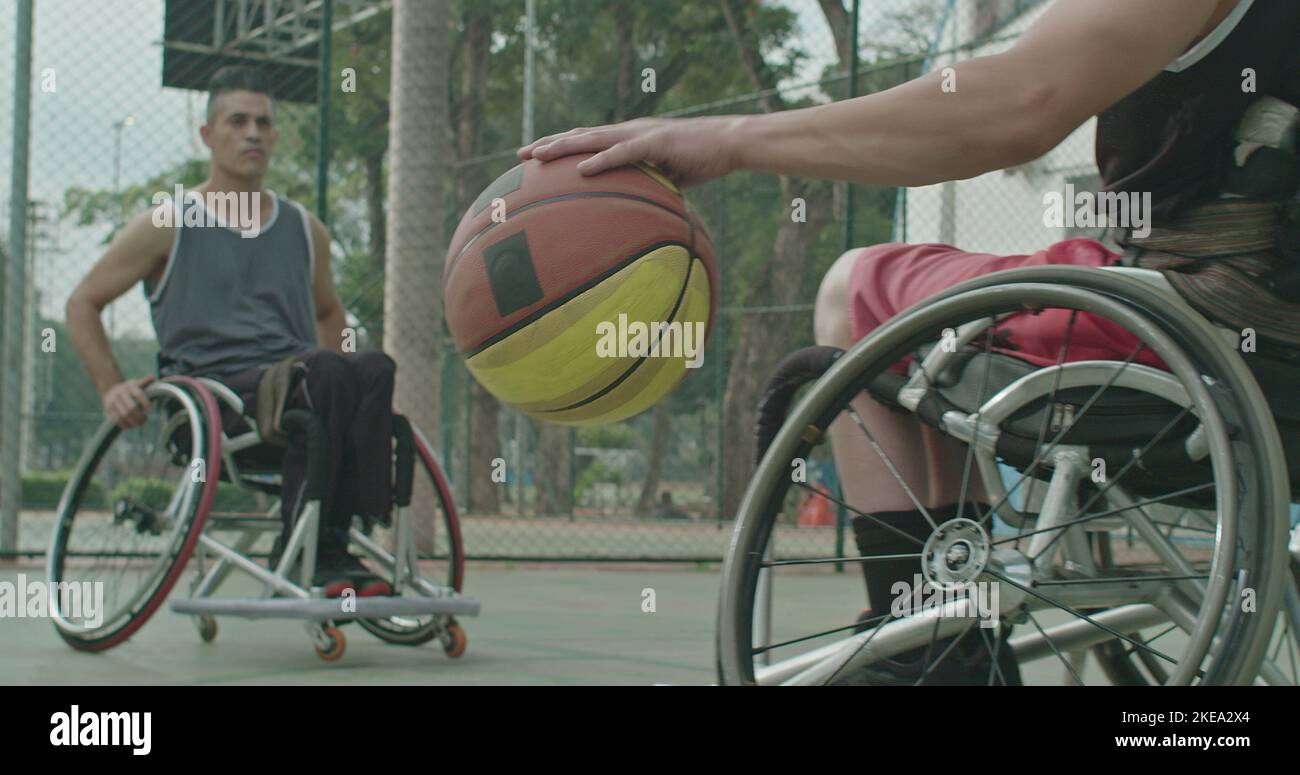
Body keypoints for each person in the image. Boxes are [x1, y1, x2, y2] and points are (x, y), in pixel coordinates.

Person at [518, 0, 1300, 682]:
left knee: (853, 287)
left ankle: (935, 649)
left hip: (1204, 332)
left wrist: (728, 138)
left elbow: (1020, 102)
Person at [66, 66, 396, 598]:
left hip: (298, 386)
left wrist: (339, 384)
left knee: (375, 367)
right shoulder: (168, 222)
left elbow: (330, 313)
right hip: (214, 398)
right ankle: (309, 553)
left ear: (276, 137)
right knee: (331, 371)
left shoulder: (304, 228)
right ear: (207, 135)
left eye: (264, 123)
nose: (253, 133)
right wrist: (111, 387)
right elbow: (82, 302)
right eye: (238, 121)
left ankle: (341, 536)